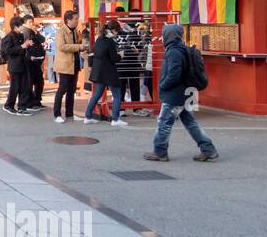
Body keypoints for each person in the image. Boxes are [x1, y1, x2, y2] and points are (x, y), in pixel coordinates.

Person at [143, 23, 219, 163]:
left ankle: (160, 152)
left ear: (168, 35)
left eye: (164, 33)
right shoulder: (182, 49)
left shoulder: (174, 52)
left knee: (164, 122)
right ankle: (208, 149)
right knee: (190, 123)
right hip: (185, 93)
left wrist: (162, 85)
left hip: (174, 95)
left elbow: (174, 75)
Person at [83, 20, 127, 126]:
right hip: (109, 72)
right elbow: (113, 58)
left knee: (96, 94)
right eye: (117, 31)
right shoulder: (110, 41)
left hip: (99, 72)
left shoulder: (99, 39)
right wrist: (120, 55)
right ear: (113, 30)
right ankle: (115, 119)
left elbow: (94, 53)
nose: (117, 33)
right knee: (117, 95)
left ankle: (88, 116)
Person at [53, 10, 87, 122]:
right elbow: (61, 46)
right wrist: (79, 47)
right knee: (62, 89)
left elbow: (78, 44)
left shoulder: (75, 31)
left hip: (75, 64)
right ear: (68, 20)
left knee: (71, 90)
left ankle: (70, 114)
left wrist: (82, 42)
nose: (78, 21)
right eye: (76, 19)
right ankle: (57, 114)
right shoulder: (60, 31)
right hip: (65, 65)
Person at [1, 16, 34, 115]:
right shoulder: (9, 37)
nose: (22, 27)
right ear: (15, 26)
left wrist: (27, 45)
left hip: (23, 63)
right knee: (15, 87)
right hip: (14, 65)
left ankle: (22, 107)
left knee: (24, 86)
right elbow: (8, 51)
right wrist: (22, 46)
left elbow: (22, 48)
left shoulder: (20, 35)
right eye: (20, 25)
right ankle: (9, 105)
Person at [26, 17, 47, 108]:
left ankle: (37, 100)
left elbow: (42, 39)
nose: (31, 24)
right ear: (25, 23)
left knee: (40, 82)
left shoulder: (34, 32)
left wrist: (36, 32)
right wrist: (29, 56)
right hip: (30, 60)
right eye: (29, 22)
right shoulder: (25, 32)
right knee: (30, 82)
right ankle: (30, 102)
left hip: (38, 59)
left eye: (32, 22)